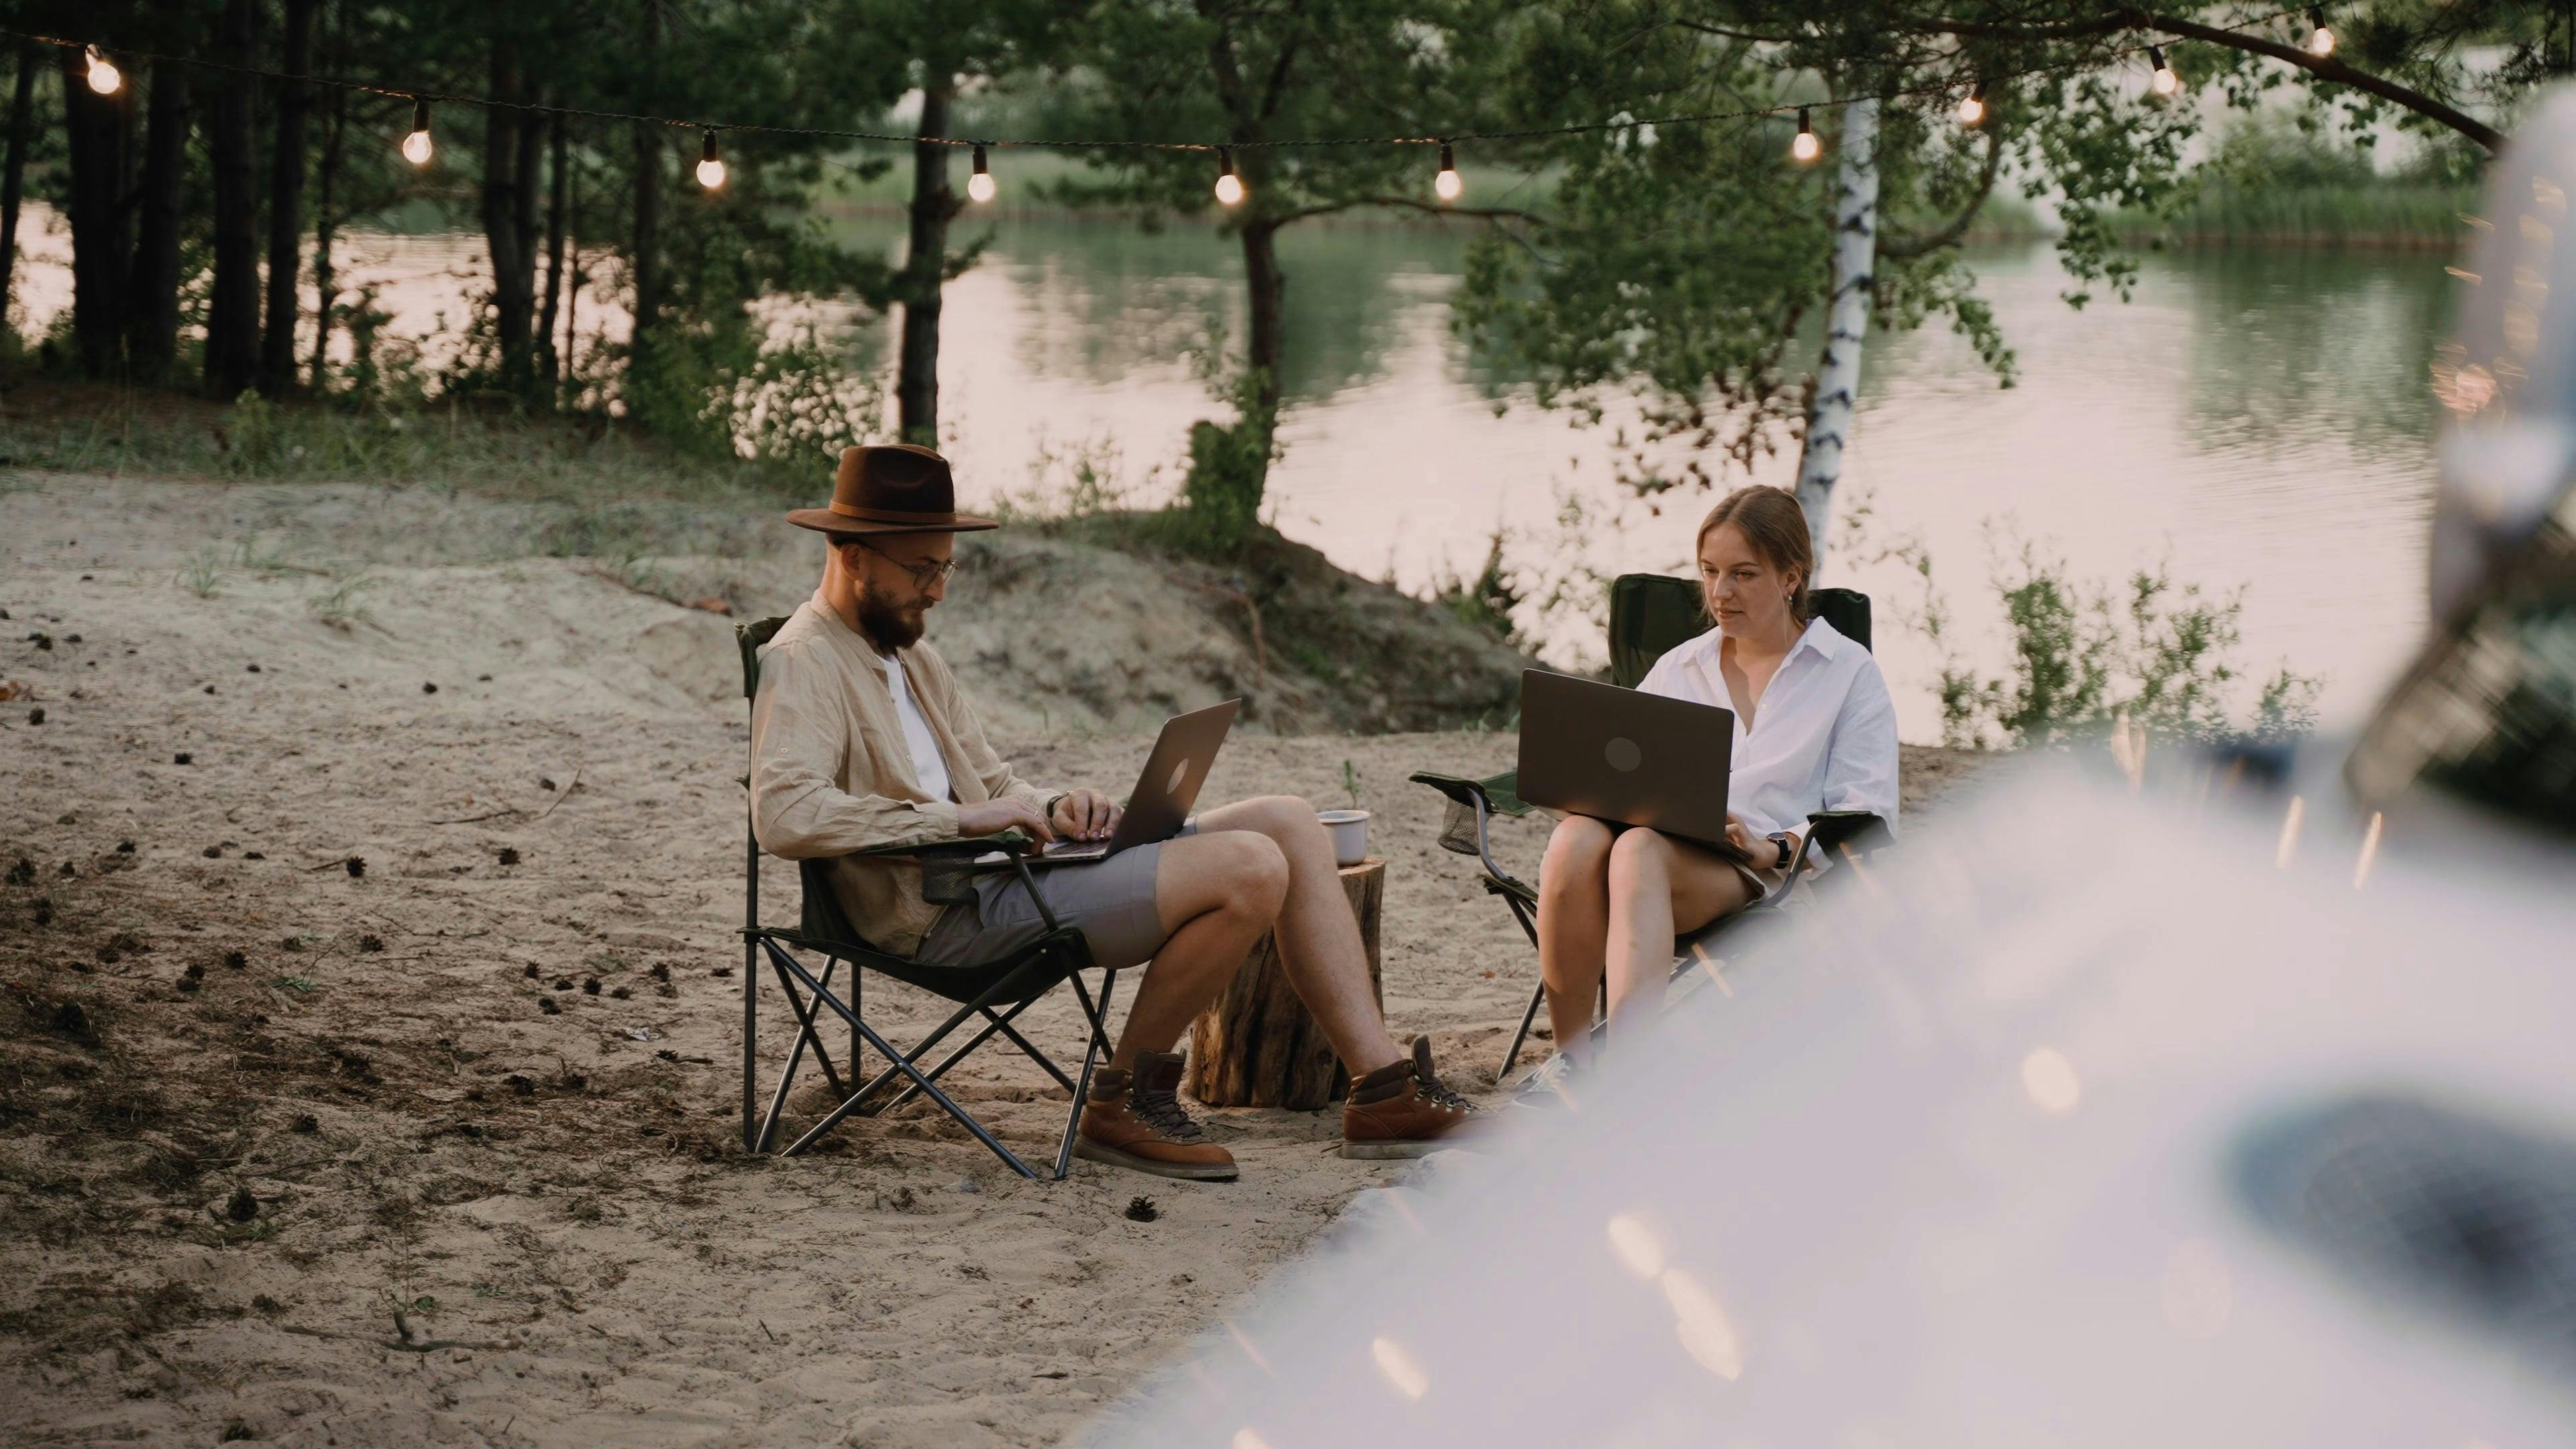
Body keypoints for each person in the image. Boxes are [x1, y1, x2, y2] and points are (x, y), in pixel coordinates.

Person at [749, 445, 1477, 1182]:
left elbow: (993, 781)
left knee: (1289, 820)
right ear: (852, 556)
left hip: (1008, 873)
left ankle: (1382, 1090)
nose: (937, 592)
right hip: (942, 913)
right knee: (1253, 868)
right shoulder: (805, 661)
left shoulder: (911, 657)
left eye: (946, 568)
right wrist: (962, 824)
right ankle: (1123, 1102)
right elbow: (784, 815)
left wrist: (1058, 808)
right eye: (921, 569)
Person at [1534, 485, 1898, 1065]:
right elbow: (1624, 771)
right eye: (1709, 572)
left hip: (1762, 874)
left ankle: (1625, 1077)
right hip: (1659, 845)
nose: (1720, 593)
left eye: (1743, 575)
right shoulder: (1679, 667)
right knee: (1576, 837)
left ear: (1790, 578)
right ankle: (1574, 1066)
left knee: (1638, 852)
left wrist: (1774, 848)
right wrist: (1581, 791)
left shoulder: (1847, 672)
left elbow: (1868, 813)